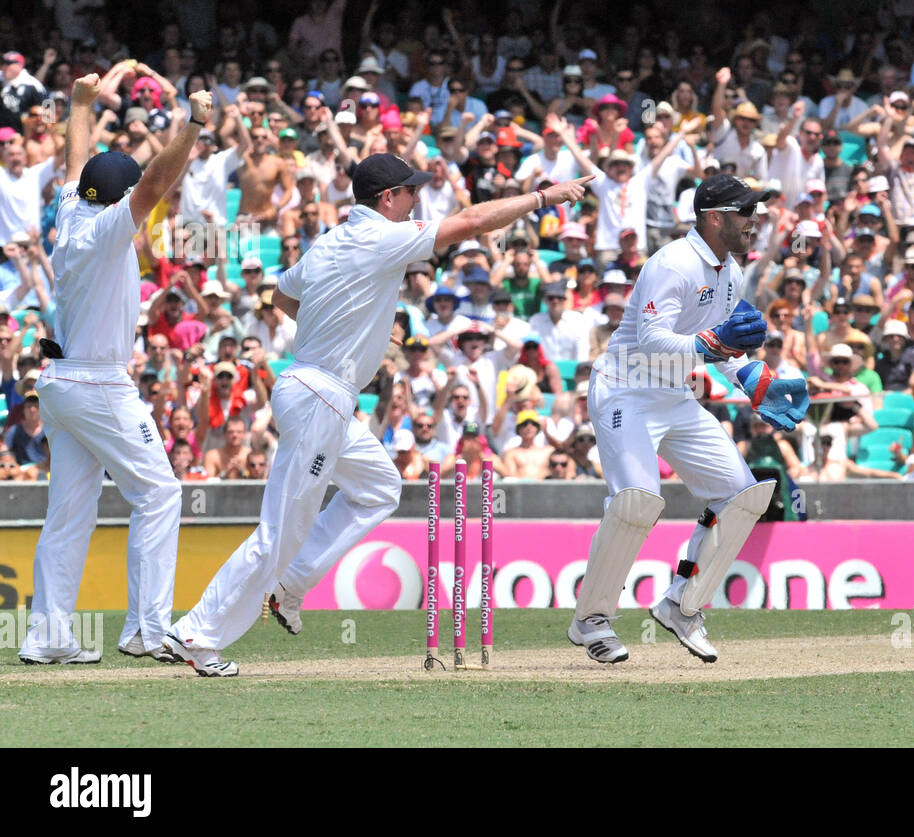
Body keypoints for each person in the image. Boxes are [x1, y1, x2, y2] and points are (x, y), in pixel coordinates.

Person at [163, 155, 592, 675]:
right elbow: (475, 222)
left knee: (380, 489)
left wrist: (349, 321)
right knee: (280, 531)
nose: (417, 201)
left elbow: (282, 295)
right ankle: (196, 633)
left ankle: (290, 585)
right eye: (411, 192)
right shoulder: (384, 237)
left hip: (320, 394)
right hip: (321, 395)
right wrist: (546, 197)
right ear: (388, 198)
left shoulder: (330, 239)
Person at [569, 174, 808, 665]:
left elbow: (722, 346)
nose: (755, 221)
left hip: (673, 394)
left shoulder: (731, 271)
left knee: (743, 494)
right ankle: (590, 619)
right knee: (637, 502)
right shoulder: (673, 263)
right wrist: (714, 345)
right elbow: (655, 340)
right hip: (624, 389)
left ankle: (682, 605)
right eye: (746, 212)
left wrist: (755, 381)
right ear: (714, 217)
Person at [20, 77, 213, 666]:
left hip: (60, 387)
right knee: (159, 492)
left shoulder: (72, 210)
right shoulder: (107, 230)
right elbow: (155, 181)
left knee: (69, 513)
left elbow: (79, 161)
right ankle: (147, 631)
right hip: (98, 384)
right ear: (122, 199)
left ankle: (48, 637)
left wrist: (81, 104)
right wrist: (195, 125)